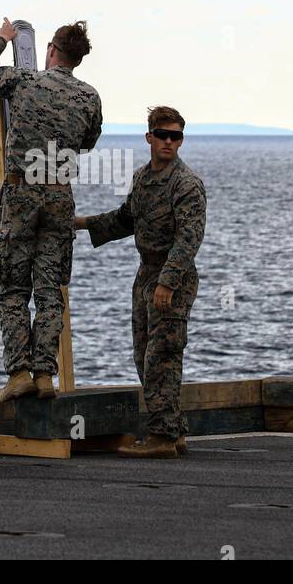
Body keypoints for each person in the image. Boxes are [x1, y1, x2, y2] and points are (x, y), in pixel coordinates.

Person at [0, 17, 102, 402]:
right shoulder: (89, 97)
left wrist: (1, 39)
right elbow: (89, 141)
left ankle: (19, 372)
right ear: (78, 58)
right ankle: (45, 374)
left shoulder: (24, 81)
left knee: (11, 286)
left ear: (51, 51)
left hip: (22, 193)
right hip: (60, 196)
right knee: (49, 290)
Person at [75, 106, 206, 458]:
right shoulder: (143, 178)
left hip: (171, 278)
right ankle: (173, 432)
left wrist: (168, 282)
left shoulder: (186, 184)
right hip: (146, 273)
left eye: (175, 136)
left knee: (162, 355)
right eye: (162, 134)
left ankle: (162, 437)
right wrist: (80, 223)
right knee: (142, 353)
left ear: (181, 141)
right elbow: (125, 219)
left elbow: (189, 239)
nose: (168, 141)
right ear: (149, 137)